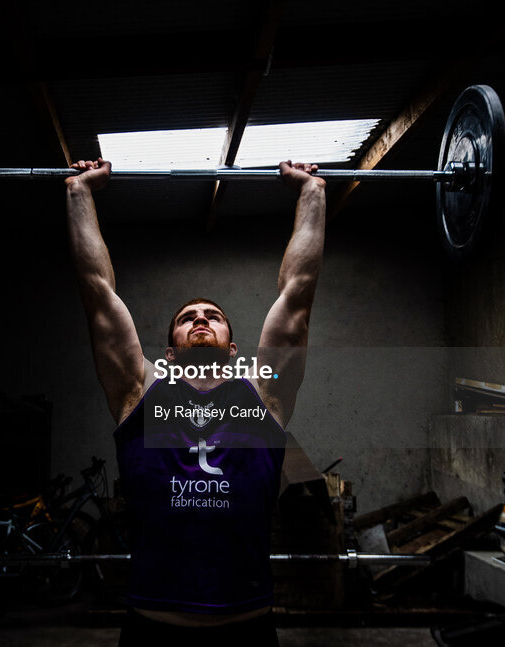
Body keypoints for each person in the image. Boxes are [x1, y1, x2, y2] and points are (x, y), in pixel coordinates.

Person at [65, 157, 325, 645]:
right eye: (188, 317)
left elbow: (298, 296)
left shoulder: (263, 395)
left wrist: (311, 192)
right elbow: (98, 296)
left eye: (213, 316)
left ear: (232, 347)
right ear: (169, 351)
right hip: (152, 629)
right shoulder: (139, 394)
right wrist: (80, 192)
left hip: (248, 630)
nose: (200, 319)